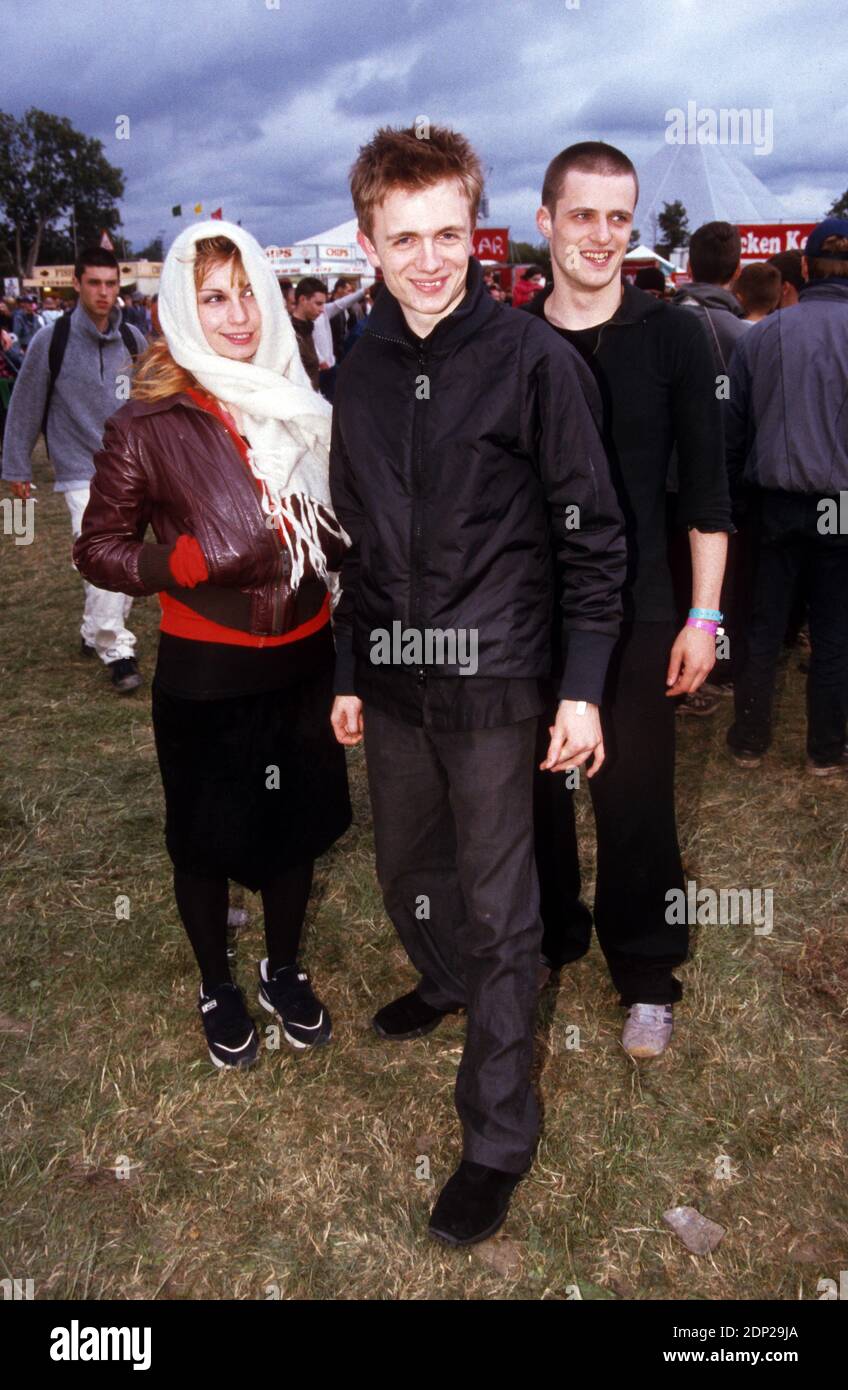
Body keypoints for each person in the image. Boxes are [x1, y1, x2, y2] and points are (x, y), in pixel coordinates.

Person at [330, 124, 626, 1246]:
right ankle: (442, 975)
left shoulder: (531, 361)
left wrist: (583, 685)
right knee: (407, 865)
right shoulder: (353, 362)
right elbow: (353, 533)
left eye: (446, 233)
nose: (427, 258)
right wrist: (350, 668)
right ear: (367, 239)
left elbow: (595, 538)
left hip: (500, 677)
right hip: (397, 683)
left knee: (508, 915)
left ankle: (495, 1134)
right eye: (403, 238)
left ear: (476, 231)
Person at [73, 222, 352, 1067]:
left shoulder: (303, 399)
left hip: (306, 655)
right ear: (182, 313)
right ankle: (216, 982)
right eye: (213, 299)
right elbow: (98, 549)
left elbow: (339, 519)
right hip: (208, 669)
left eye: (246, 295)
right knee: (204, 837)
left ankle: (283, 968)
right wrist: (184, 560)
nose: (237, 318)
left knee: (294, 830)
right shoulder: (147, 424)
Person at [529, 141, 731, 1058]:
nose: (601, 236)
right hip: (528, 608)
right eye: (583, 215)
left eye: (619, 217)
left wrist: (705, 615)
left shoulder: (676, 335)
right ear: (546, 223)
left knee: (634, 797)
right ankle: (547, 939)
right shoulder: (512, 342)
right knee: (530, 792)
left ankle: (646, 971)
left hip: (646, 606)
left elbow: (708, 493)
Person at [725, 219, 848, 776]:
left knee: (765, 625)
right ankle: (825, 749)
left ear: (803, 268)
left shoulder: (764, 335)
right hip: (838, 503)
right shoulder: (763, 336)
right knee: (833, 629)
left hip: (775, 499)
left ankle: (749, 739)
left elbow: (733, 426)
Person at [1, 248, 146, 691]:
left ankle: (94, 629)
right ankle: (116, 647)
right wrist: (16, 466)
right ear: (78, 285)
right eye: (95, 283)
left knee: (122, 555)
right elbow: (25, 405)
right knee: (104, 551)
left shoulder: (135, 340)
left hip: (128, 469)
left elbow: (150, 404)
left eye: (111, 284)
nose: (104, 292)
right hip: (79, 467)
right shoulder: (53, 339)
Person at [289, 276, 325, 390]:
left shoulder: (307, 328)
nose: (322, 309)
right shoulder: (289, 333)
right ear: (303, 300)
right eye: (318, 304)